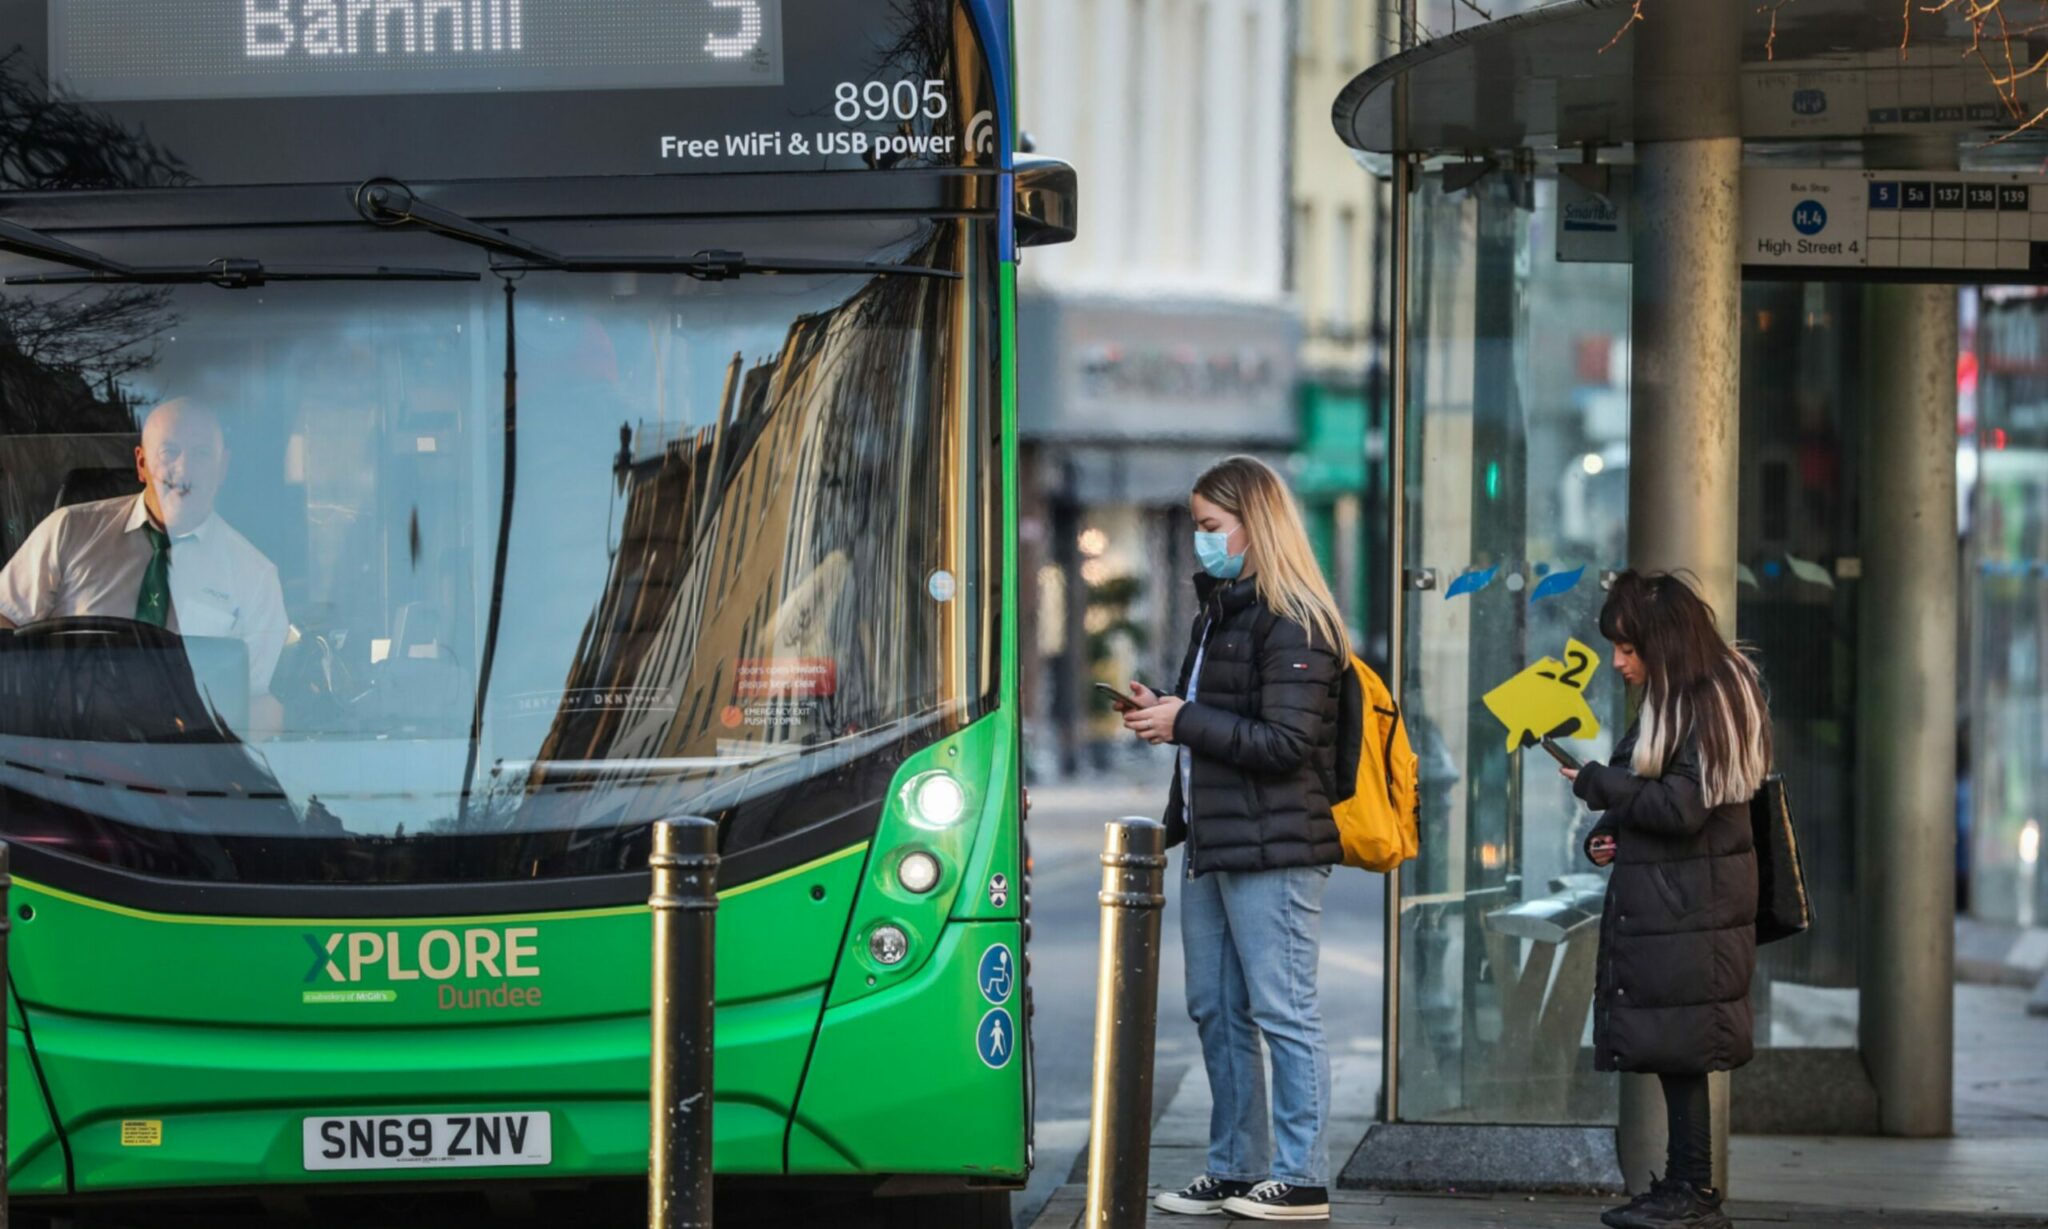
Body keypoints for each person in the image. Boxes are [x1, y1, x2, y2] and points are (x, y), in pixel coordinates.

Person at [1122, 455, 1347, 1223]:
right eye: (1196, 528)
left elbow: (1287, 741)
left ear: (1258, 525)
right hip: (1215, 839)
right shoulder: (1220, 613)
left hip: (1276, 847)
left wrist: (1184, 719)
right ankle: (1235, 1166)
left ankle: (1302, 1176)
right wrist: (1166, 710)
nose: (1201, 543)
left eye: (1212, 527)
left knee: (1284, 1010)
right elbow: (1214, 721)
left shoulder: (1297, 620)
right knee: (1216, 1008)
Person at [1565, 571, 1771, 1229]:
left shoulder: (1703, 699)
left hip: (1693, 906)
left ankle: (1694, 1191)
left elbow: (1682, 806)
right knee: (1679, 1048)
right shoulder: (1681, 694)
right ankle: (1687, 1185)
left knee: (1685, 1049)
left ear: (1662, 641)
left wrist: (1598, 784)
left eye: (1628, 648)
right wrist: (1608, 832)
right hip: (1682, 901)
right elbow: (1648, 794)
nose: (1618, 661)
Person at [0, 398, 288, 734]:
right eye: (169, 451)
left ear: (222, 467)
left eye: (201, 453)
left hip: (183, 764)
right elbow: (4, 619)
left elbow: (257, 705)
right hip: (63, 756)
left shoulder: (255, 577)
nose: (183, 468)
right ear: (141, 463)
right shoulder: (68, 531)